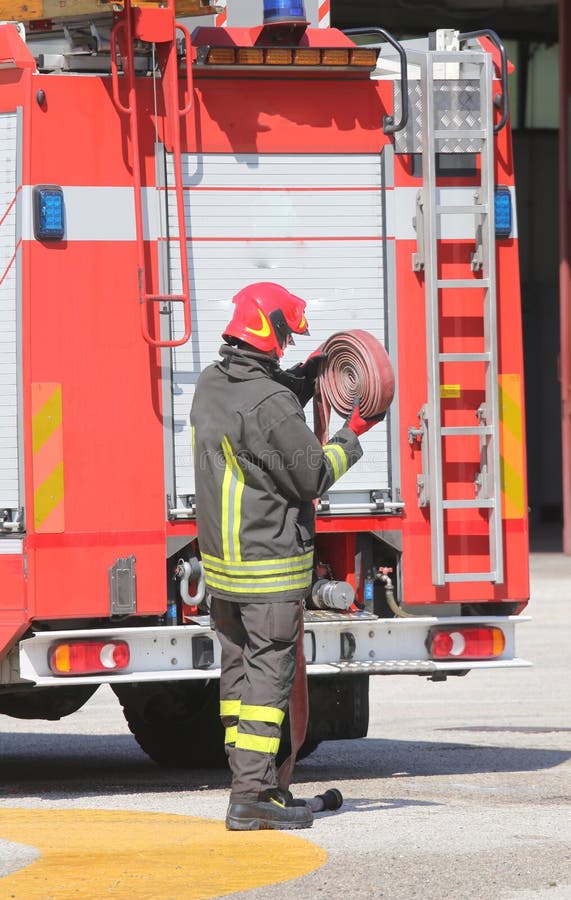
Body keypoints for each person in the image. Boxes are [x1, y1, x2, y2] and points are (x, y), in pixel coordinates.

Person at [190, 282, 383, 831]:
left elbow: (263, 413)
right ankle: (251, 799)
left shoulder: (213, 385)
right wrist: (355, 431)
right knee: (267, 683)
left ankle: (251, 785)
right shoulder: (268, 402)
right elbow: (312, 474)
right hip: (267, 571)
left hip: (223, 575)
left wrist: (306, 376)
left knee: (238, 685)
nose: (283, 345)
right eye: (283, 334)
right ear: (267, 329)